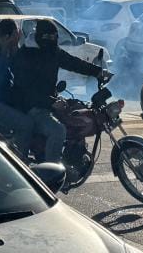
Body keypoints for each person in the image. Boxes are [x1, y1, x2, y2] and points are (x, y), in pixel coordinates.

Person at [8, 20, 111, 162]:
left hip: (48, 102)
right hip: (30, 107)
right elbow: (26, 90)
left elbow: (72, 62)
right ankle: (52, 170)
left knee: (77, 113)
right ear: (39, 36)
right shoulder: (26, 55)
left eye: (54, 37)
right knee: (58, 130)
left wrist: (98, 72)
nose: (52, 40)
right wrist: (51, 102)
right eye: (48, 37)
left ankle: (74, 154)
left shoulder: (53, 51)